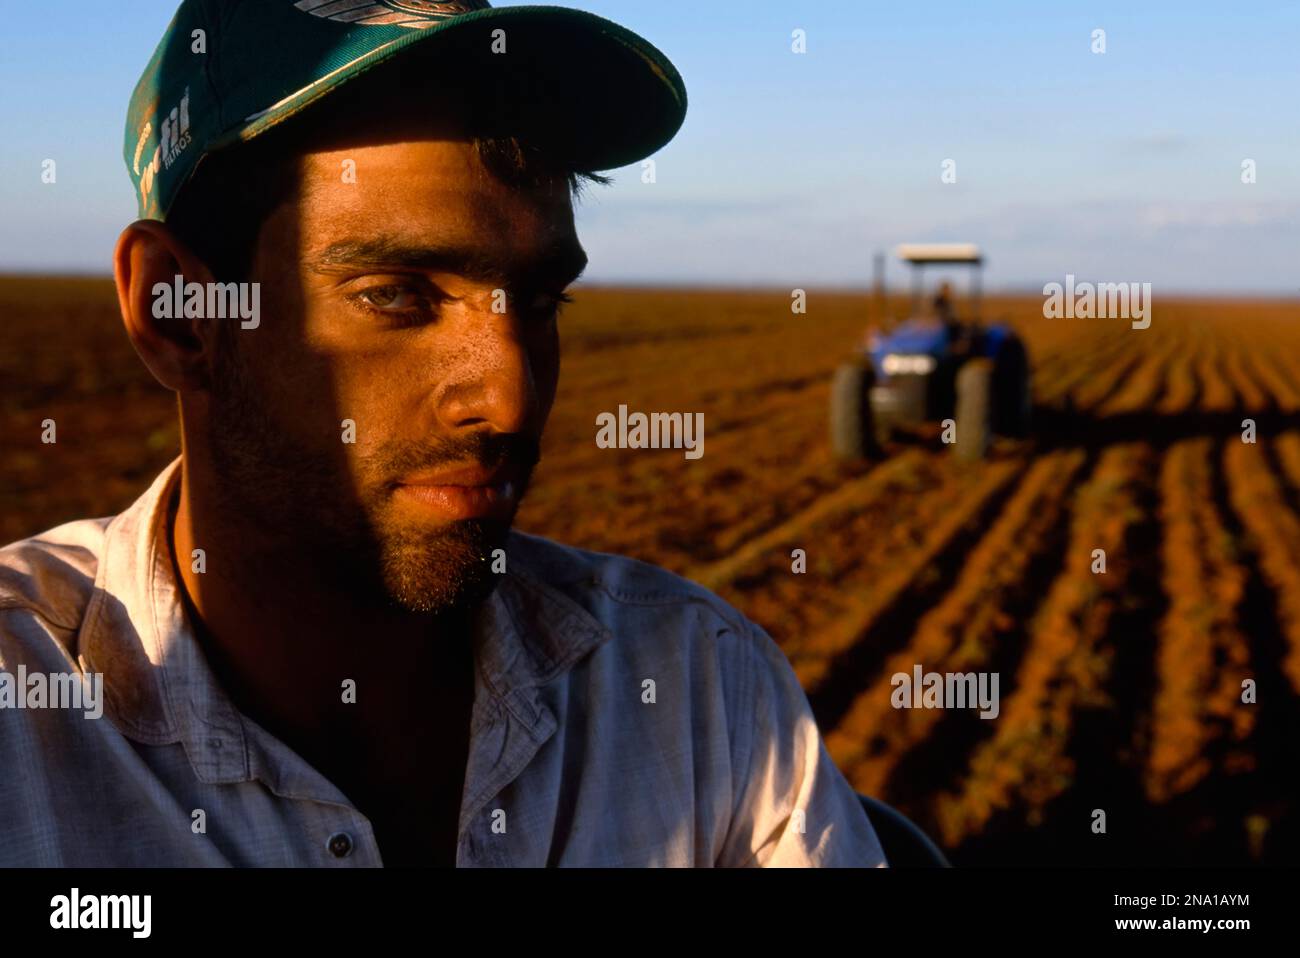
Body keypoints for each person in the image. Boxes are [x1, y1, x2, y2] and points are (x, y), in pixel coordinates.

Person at [0, 0, 887, 867]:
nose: (510, 400)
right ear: (178, 312)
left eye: (539, 303)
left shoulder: (702, 692)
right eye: (396, 294)